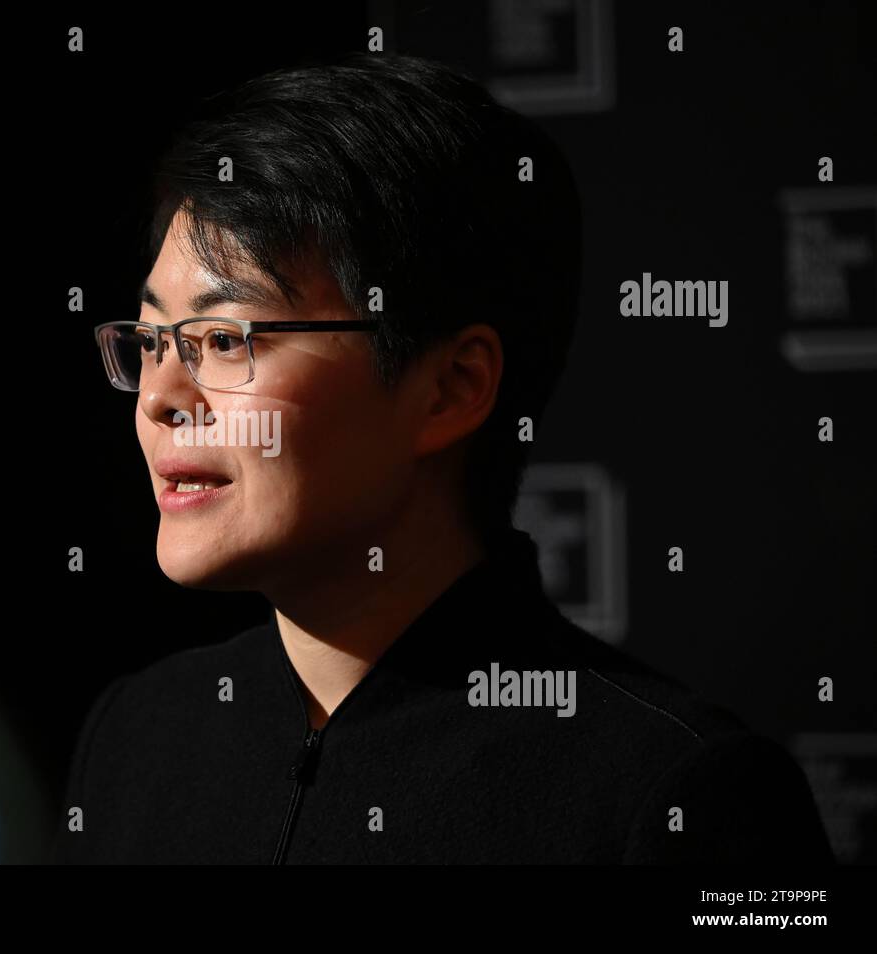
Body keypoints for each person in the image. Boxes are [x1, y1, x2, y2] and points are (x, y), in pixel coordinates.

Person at [54, 53, 834, 864]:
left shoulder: (676, 796)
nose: (159, 396)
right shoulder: (138, 738)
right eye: (149, 339)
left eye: (224, 339)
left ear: (451, 388)